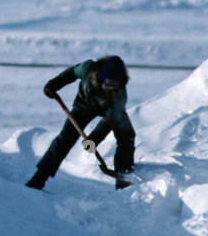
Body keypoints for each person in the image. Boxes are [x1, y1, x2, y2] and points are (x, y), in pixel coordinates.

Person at [26, 54, 135, 189]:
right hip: (83, 106)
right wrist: (54, 84)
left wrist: (94, 139)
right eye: (108, 83)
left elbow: (109, 120)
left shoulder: (120, 95)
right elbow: (71, 73)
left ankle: (124, 178)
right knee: (65, 139)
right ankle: (40, 177)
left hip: (111, 112)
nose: (111, 88)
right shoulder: (88, 68)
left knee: (127, 136)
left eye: (115, 84)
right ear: (101, 78)